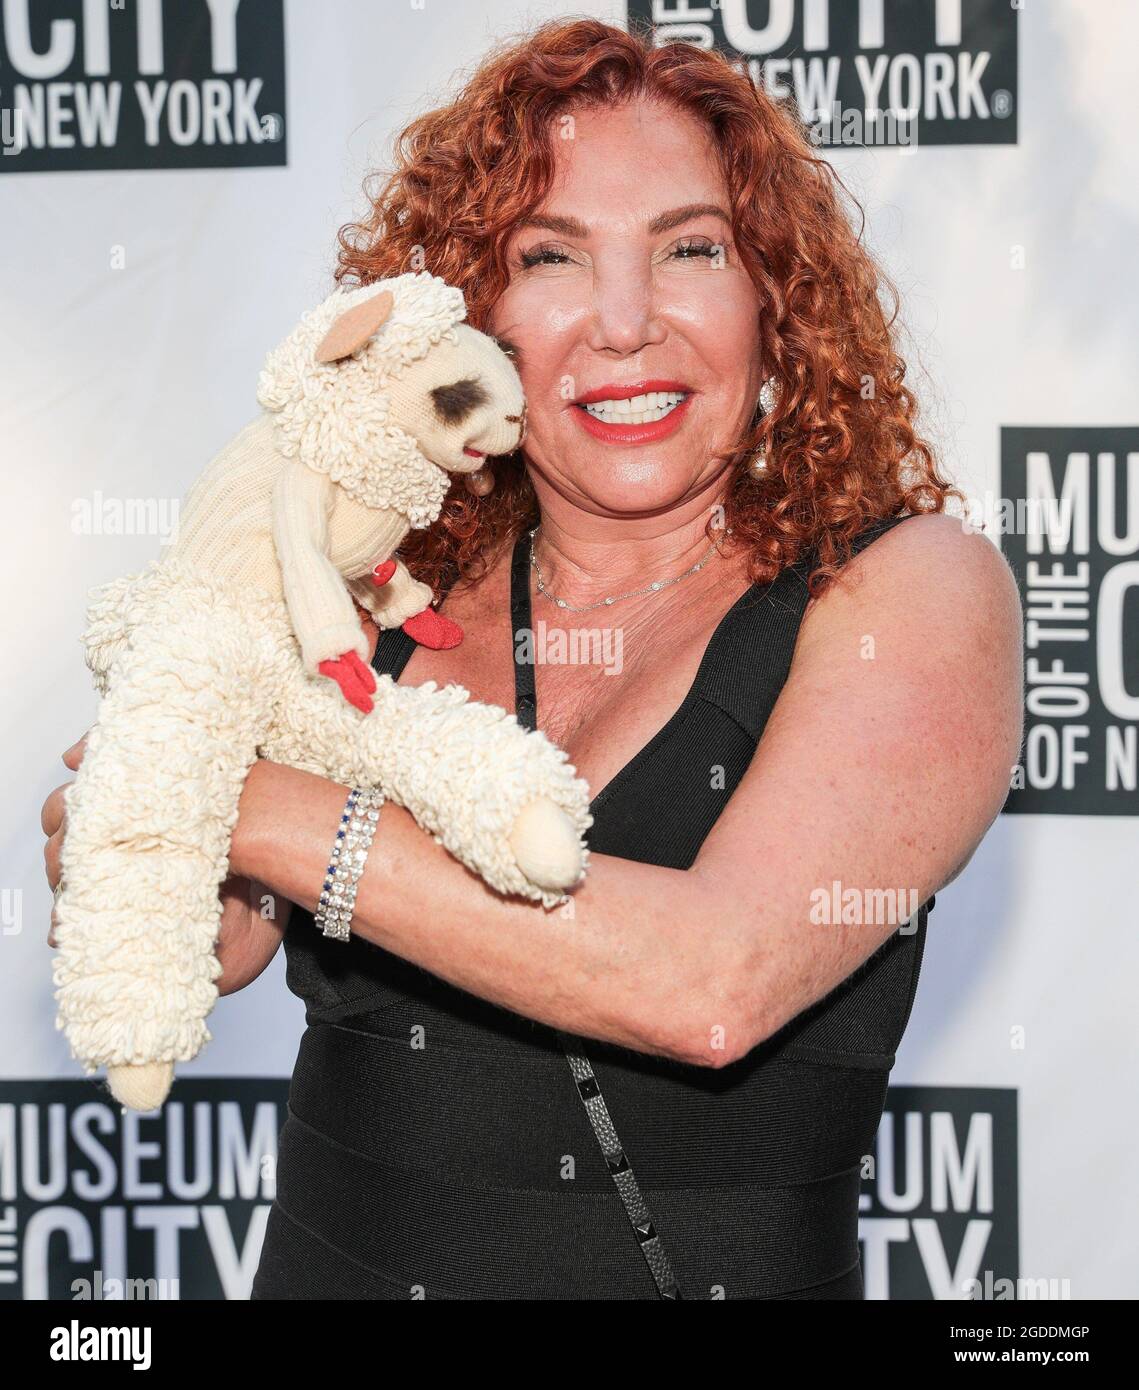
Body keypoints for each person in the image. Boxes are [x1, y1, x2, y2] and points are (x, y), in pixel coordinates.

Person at [42, 18, 1022, 1299]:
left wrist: (260, 810)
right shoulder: (374, 595)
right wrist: (149, 853)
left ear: (772, 293)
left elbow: (708, 986)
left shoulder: (902, 585)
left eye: (689, 247)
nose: (624, 324)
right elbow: (222, 937)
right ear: (469, 316)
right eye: (551, 256)